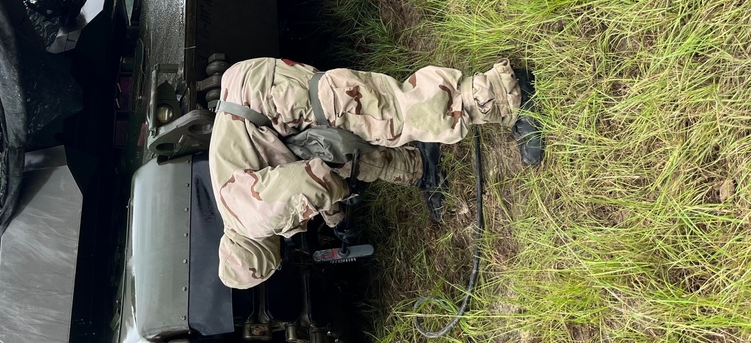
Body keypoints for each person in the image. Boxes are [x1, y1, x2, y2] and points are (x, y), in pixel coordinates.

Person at [209, 57, 543, 289]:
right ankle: (421, 167)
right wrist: (336, 219)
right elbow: (306, 180)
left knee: (387, 115)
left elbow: (311, 181)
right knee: (345, 156)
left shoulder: (253, 220)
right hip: (255, 98)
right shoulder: (239, 215)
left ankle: (505, 93)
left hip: (269, 97)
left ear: (260, 259)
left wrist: (340, 198)